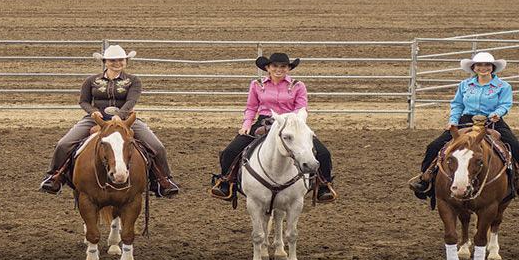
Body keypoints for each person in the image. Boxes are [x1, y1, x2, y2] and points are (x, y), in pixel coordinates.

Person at [39, 44, 179, 197]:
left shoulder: (133, 81)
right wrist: (93, 112)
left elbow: (131, 100)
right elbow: (84, 101)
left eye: (121, 60)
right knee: (64, 144)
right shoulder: (91, 81)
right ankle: (54, 177)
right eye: (113, 60)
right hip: (96, 120)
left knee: (157, 146)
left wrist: (121, 114)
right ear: (105, 62)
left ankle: (163, 181)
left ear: (126, 62)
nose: (117, 63)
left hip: (125, 120)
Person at [210, 53, 336, 202]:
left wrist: (288, 120)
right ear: (267, 68)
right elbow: (251, 107)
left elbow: (301, 107)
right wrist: (246, 125)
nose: (278, 69)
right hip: (264, 122)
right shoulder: (257, 84)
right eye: (274, 66)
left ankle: (323, 184)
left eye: (283, 66)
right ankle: (227, 181)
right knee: (230, 151)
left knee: (323, 153)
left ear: (288, 68)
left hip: (292, 123)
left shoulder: (298, 85)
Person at [410, 51, 519, 200]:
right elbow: (457, 104)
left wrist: (497, 113)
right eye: (479, 65)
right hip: (466, 120)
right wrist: (453, 121)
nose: (483, 68)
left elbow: (505, 104)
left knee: (518, 149)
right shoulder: (464, 85)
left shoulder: (503, 86)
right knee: (434, 146)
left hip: (493, 121)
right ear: (474, 67)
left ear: (493, 67)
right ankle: (426, 179)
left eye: (487, 65)